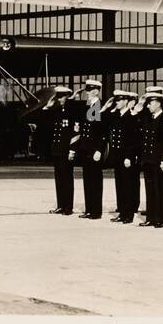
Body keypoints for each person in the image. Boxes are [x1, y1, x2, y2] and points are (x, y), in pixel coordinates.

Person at [70, 79, 106, 219]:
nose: (87, 94)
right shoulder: (88, 106)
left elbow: (102, 132)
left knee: (95, 181)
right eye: (87, 91)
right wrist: (74, 98)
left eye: (89, 91)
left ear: (96, 91)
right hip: (85, 149)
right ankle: (89, 209)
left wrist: (99, 150)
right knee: (87, 180)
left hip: (94, 150)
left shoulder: (99, 107)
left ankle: (96, 211)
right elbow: (74, 114)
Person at [106, 90, 141, 224]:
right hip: (117, 156)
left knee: (127, 185)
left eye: (120, 100)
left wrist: (128, 157)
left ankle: (128, 214)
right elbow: (105, 120)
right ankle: (122, 211)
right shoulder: (116, 115)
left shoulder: (131, 117)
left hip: (126, 157)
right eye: (116, 100)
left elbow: (132, 140)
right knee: (119, 184)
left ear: (126, 101)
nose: (117, 102)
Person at [137, 88, 163, 228]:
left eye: (150, 103)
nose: (148, 106)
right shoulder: (148, 118)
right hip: (148, 159)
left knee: (158, 190)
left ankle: (159, 218)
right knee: (149, 190)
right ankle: (150, 217)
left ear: (157, 103)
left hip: (158, 161)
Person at [43, 84, 76, 215]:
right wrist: (47, 107)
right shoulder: (55, 111)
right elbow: (45, 123)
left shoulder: (71, 112)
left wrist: (72, 150)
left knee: (67, 179)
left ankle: (68, 207)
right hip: (57, 150)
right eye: (59, 97)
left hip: (66, 150)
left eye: (63, 97)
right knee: (59, 178)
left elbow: (75, 131)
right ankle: (61, 205)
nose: (61, 99)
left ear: (67, 97)